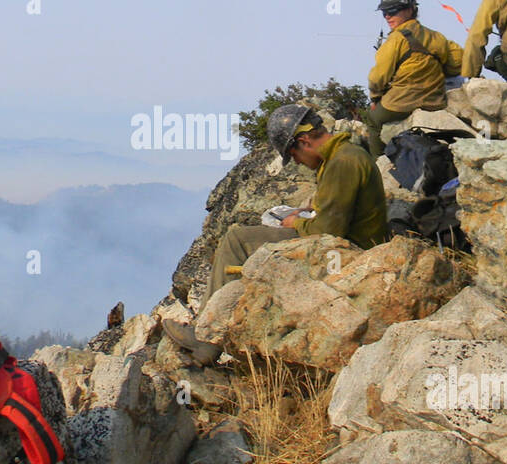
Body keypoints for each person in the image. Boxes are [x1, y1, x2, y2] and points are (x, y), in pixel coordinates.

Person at [161, 103, 388, 361]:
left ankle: (206, 340)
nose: (300, 163)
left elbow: (327, 232)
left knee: (237, 240)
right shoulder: (344, 155)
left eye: (295, 155)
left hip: (346, 252)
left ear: (302, 142)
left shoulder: (342, 163)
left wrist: (296, 223)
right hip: (349, 243)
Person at [365, 0, 464, 159]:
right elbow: (458, 60)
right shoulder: (437, 37)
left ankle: (378, 165)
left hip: (402, 103)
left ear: (410, 9)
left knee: (372, 119)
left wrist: (375, 97)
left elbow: (378, 77)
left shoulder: (395, 39)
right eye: (384, 12)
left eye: (393, 11)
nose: (388, 16)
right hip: (435, 102)